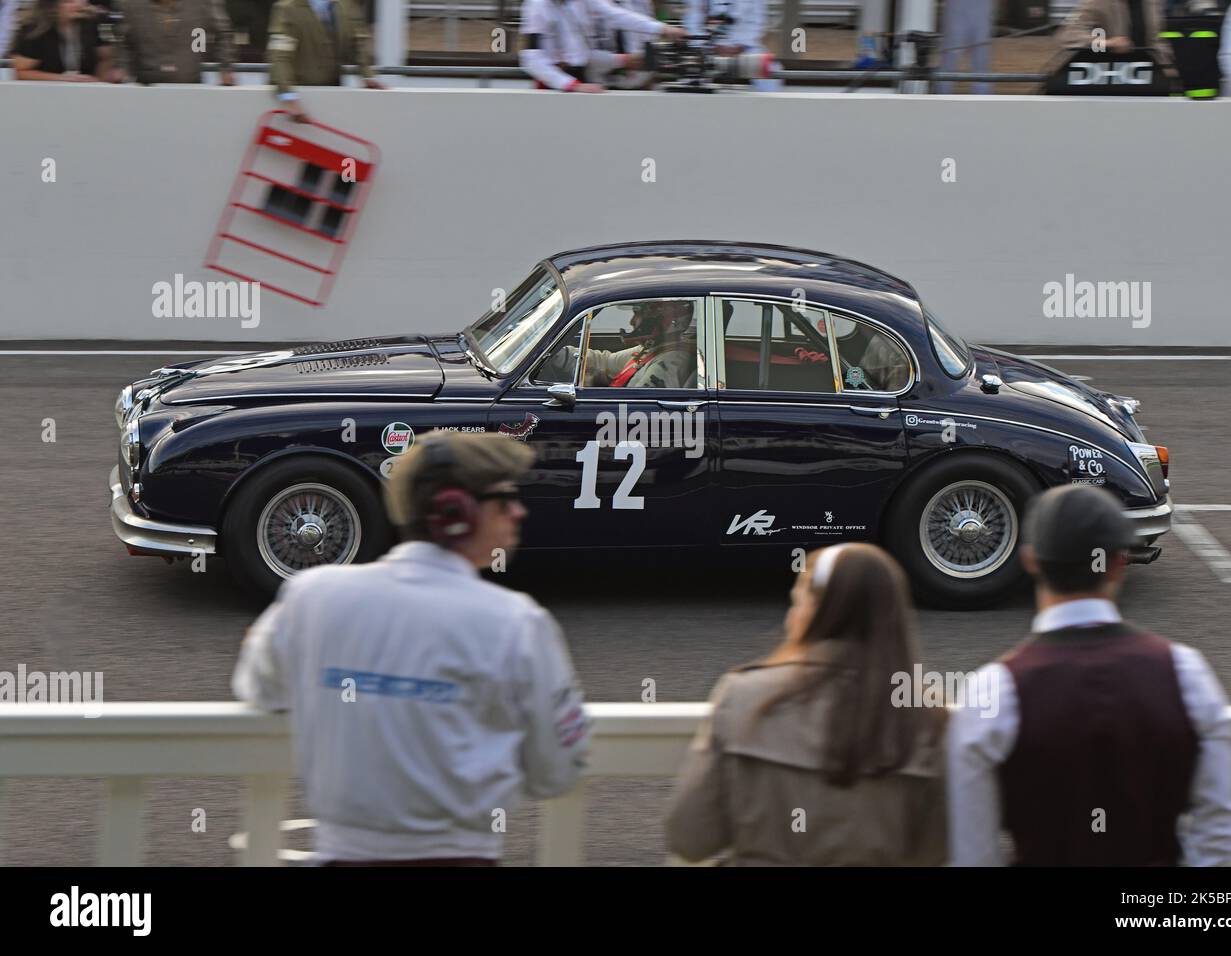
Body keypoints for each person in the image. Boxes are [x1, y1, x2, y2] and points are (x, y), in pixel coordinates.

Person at [232, 431, 591, 866]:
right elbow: (557, 770)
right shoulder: (517, 622)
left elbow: (260, 688)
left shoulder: (312, 595)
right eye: (504, 498)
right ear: (455, 512)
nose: (519, 510)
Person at [947, 485, 1231, 866]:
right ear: (1119, 562)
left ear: (1030, 560)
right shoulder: (1187, 673)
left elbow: (974, 856)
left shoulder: (993, 690)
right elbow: (1220, 834)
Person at [665, 543, 948, 866]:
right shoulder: (929, 720)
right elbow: (934, 851)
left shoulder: (742, 696)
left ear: (816, 612)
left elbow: (689, 836)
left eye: (796, 603)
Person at [519, 0, 685, 92]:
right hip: (554, 83)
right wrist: (570, 85)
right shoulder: (536, 6)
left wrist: (662, 29)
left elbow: (617, 16)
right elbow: (531, 58)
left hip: (583, 76)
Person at [266, 0, 384, 122]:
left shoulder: (347, 6)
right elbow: (279, 56)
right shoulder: (287, 8)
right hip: (299, 97)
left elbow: (358, 41)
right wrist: (288, 97)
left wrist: (367, 75)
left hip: (333, 97)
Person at [583, 299, 697, 388]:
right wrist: (566, 354)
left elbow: (634, 409)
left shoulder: (669, 362)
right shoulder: (654, 349)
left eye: (637, 314)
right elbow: (605, 362)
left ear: (658, 318)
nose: (631, 322)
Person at [117, 0, 235, 84]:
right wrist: (122, 69)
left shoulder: (204, 3)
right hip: (146, 86)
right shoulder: (131, 4)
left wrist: (226, 69)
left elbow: (223, 33)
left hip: (190, 86)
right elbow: (122, 39)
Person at [9, 0, 117, 81]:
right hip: (44, 94)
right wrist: (61, 79)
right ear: (52, 6)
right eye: (69, 1)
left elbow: (104, 59)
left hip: (85, 93)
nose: (79, 4)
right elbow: (21, 72)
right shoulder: (35, 30)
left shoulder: (92, 24)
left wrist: (101, 81)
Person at [1057, 0, 1173, 64]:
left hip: (1149, 73)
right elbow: (1067, 35)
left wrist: (1166, 62)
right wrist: (1108, 43)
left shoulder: (1153, 3)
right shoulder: (1096, 2)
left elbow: (1157, 39)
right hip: (1108, 73)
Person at [936, 0, 994, 95]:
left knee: (981, 61)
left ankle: (982, 99)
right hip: (958, 12)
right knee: (950, 58)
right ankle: (941, 97)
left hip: (979, 13)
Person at [683, 0, 766, 55]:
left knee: (768, 71)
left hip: (745, 49)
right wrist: (706, 46)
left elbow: (756, 23)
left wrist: (740, 47)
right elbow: (693, 21)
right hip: (707, 49)